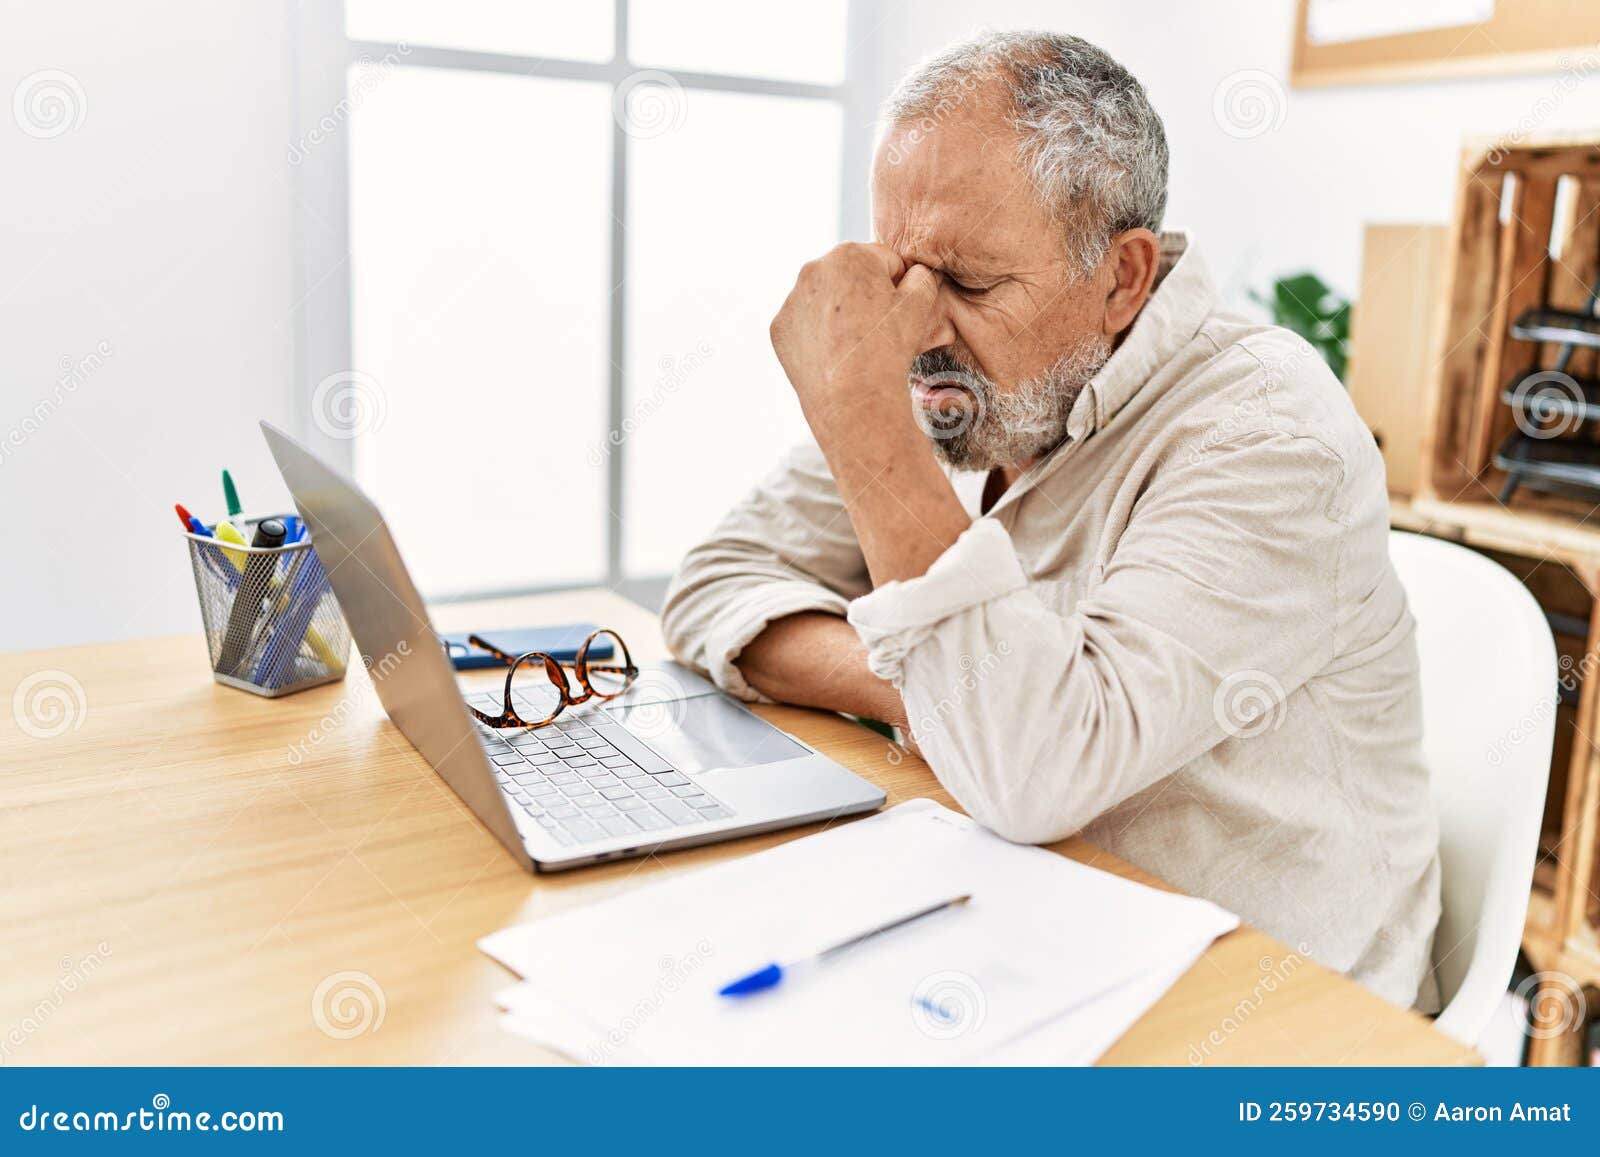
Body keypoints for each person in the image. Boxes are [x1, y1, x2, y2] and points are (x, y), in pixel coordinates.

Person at [661, 30, 1440, 1010]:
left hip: (1264, 1002)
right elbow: (713, 579)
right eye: (900, 275)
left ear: (1122, 275)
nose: (918, 328)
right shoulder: (970, 381)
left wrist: (861, 417)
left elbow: (1033, 769)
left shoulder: (1267, 434)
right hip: (1024, 917)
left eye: (970, 284)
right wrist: (939, 688)